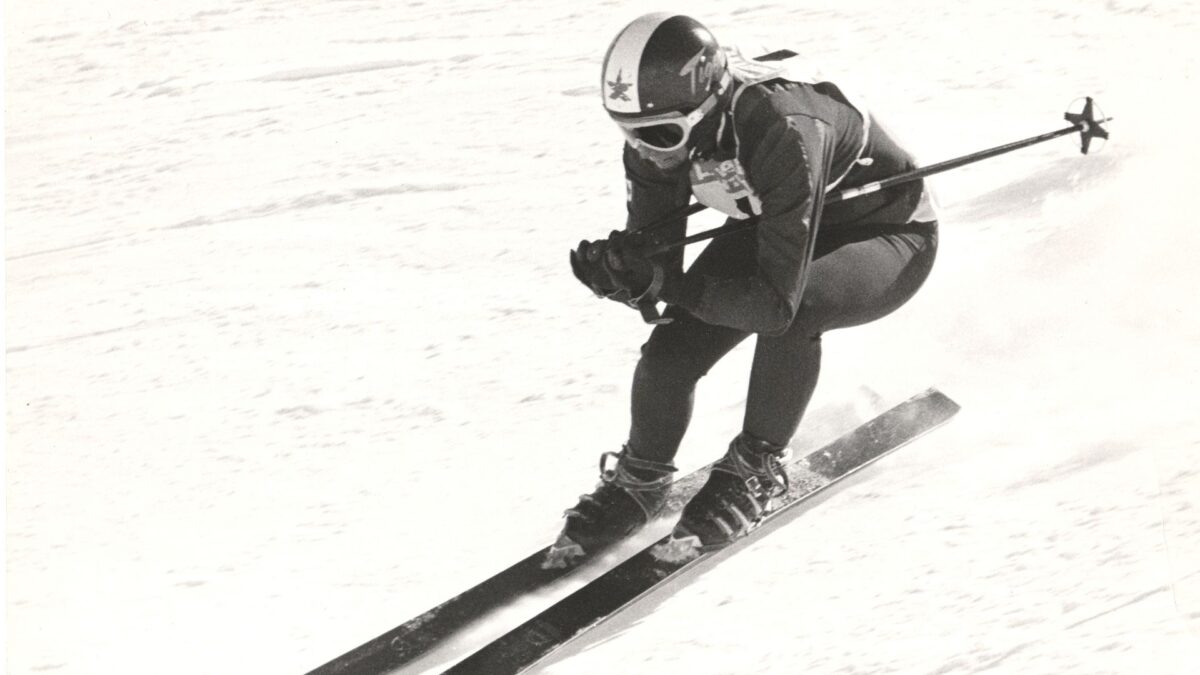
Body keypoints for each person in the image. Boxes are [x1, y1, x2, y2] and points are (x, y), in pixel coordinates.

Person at [556, 12, 939, 562]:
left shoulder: (783, 126)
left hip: (886, 235)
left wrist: (667, 282)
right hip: (770, 224)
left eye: (661, 134)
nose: (645, 150)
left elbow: (773, 306)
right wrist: (628, 278)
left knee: (795, 311)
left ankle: (754, 468)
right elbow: (660, 261)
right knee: (671, 349)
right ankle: (641, 477)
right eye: (627, 131)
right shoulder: (658, 133)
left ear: (708, 104)